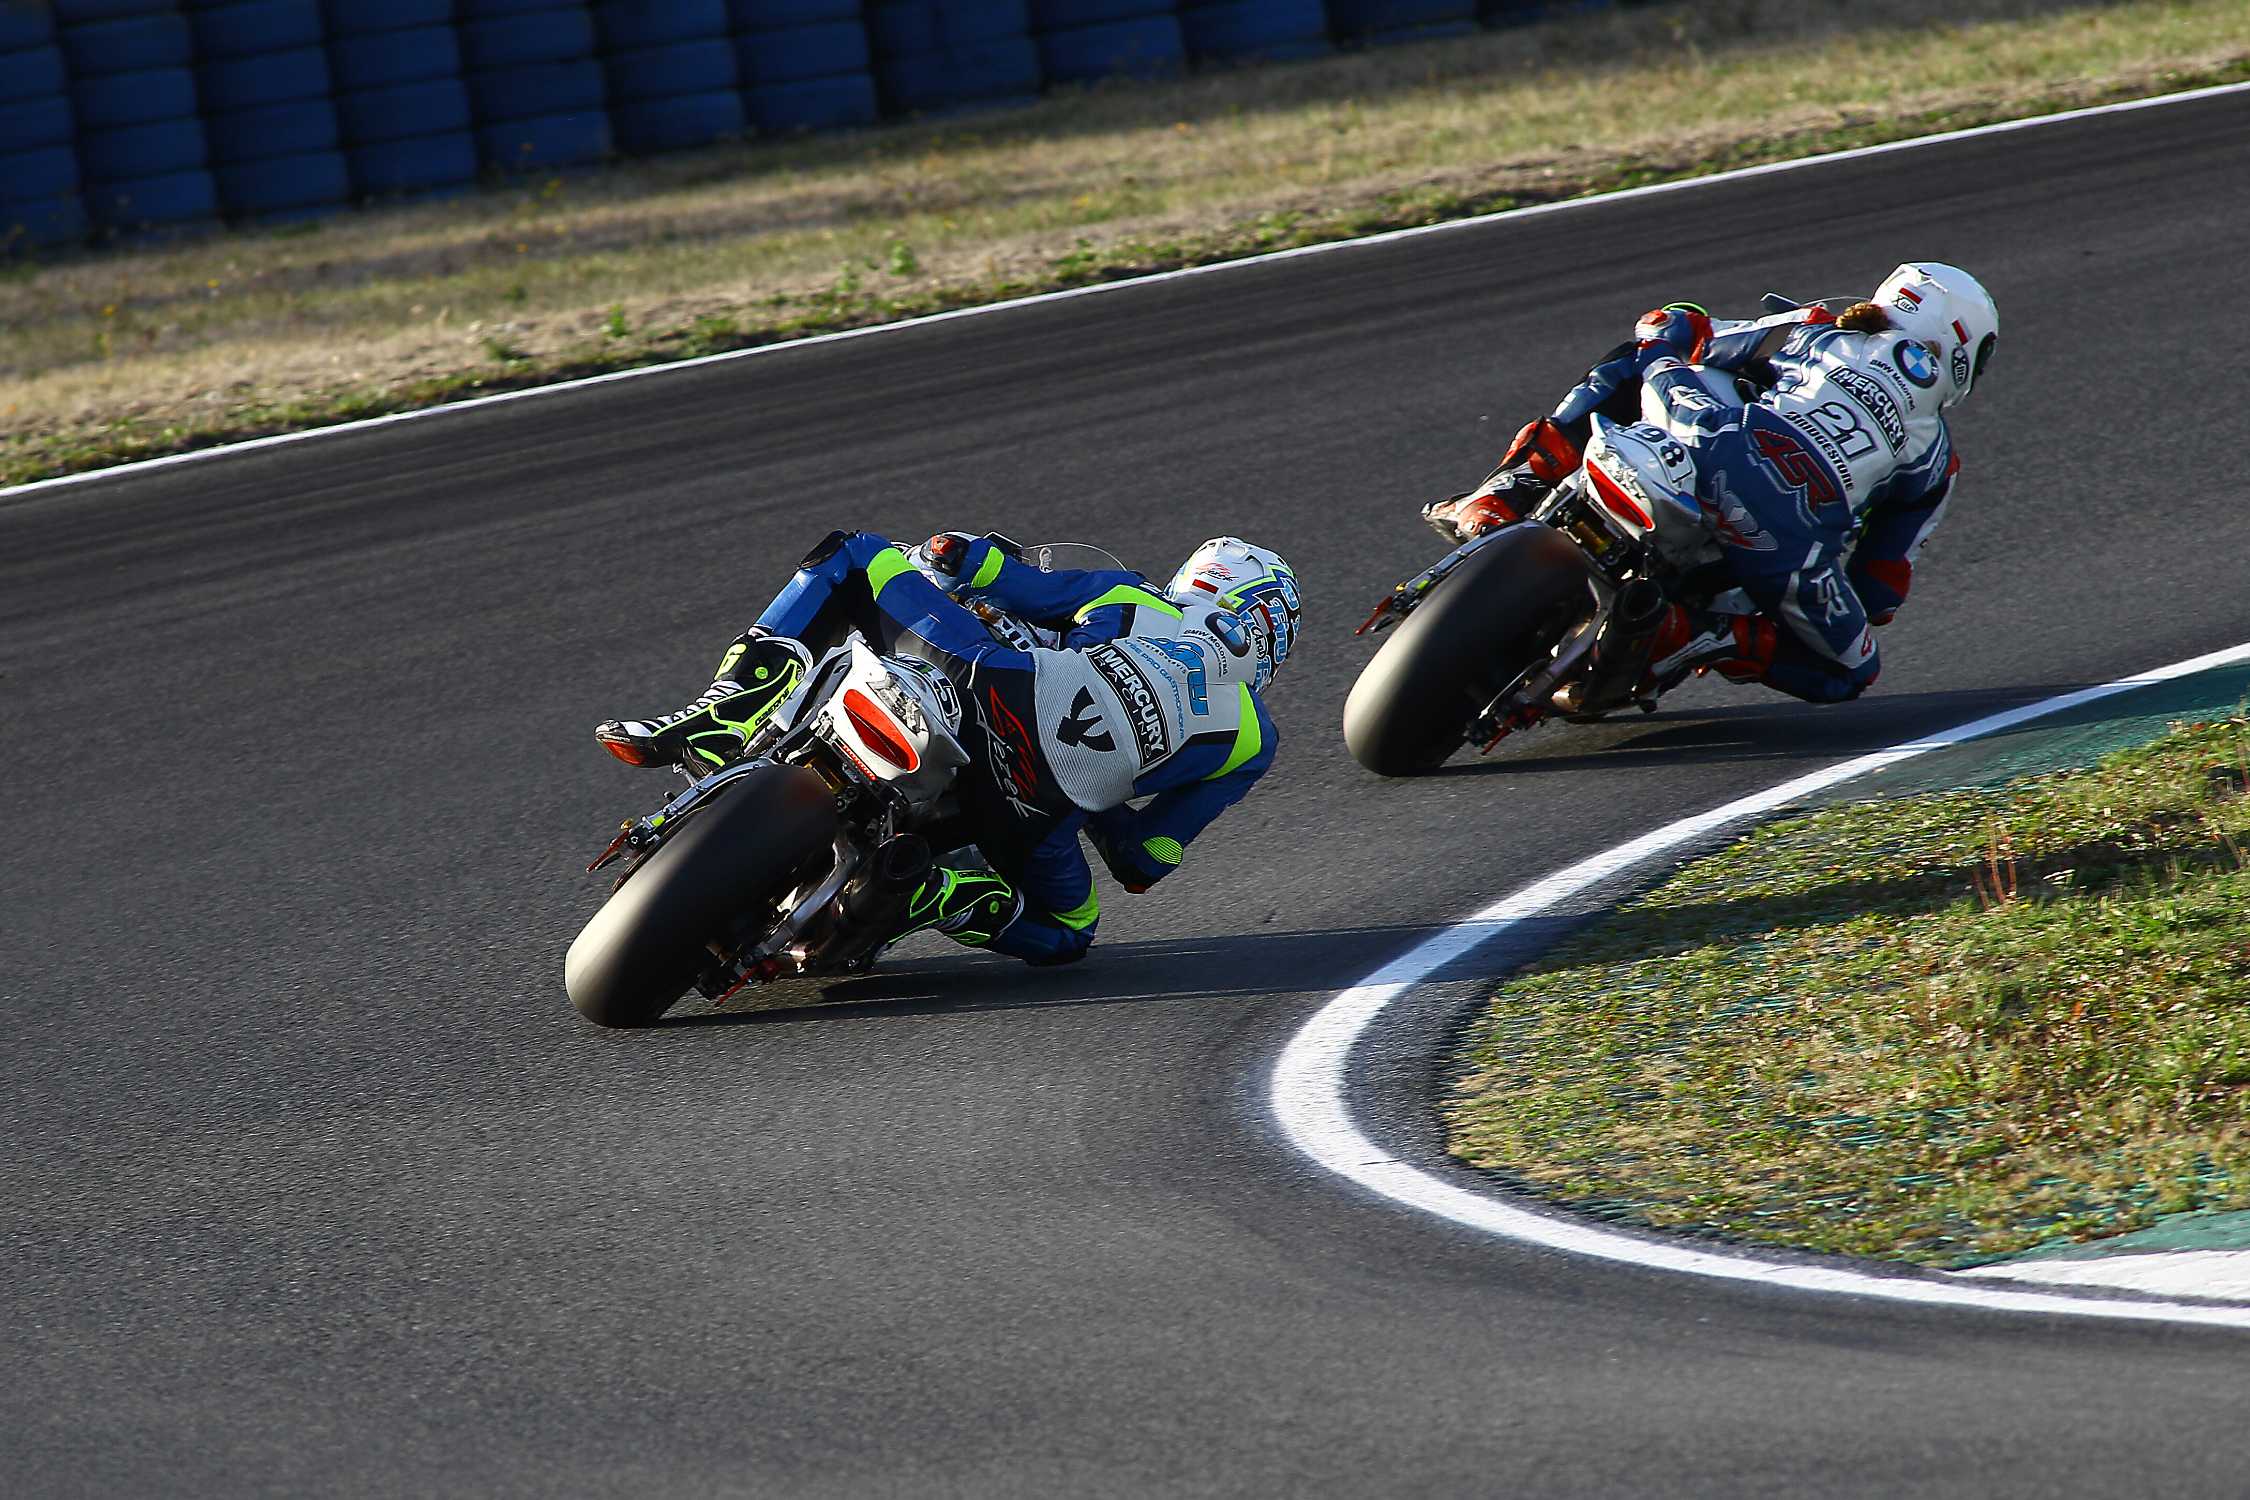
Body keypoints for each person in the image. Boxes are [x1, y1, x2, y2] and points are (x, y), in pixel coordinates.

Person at [595, 530, 1297, 966]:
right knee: (1070, 929)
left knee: (856, 554)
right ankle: (937, 894)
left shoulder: (1134, 596)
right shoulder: (1253, 739)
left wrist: (949, 554)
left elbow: (988, 568)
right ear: (1269, 637)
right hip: (1036, 808)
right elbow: (1144, 862)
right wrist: (1098, 791)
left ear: (1199, 583)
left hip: (991, 684)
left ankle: (721, 712)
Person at [1424, 262, 1997, 706]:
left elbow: (1690, 331)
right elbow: (1878, 593)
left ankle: (1503, 492)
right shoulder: (1936, 457)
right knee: (1852, 670)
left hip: (1706, 441)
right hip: (1784, 544)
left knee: (1638, 358)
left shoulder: (1816, 326)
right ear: (1962, 351)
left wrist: (1669, 327)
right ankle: (1694, 633)